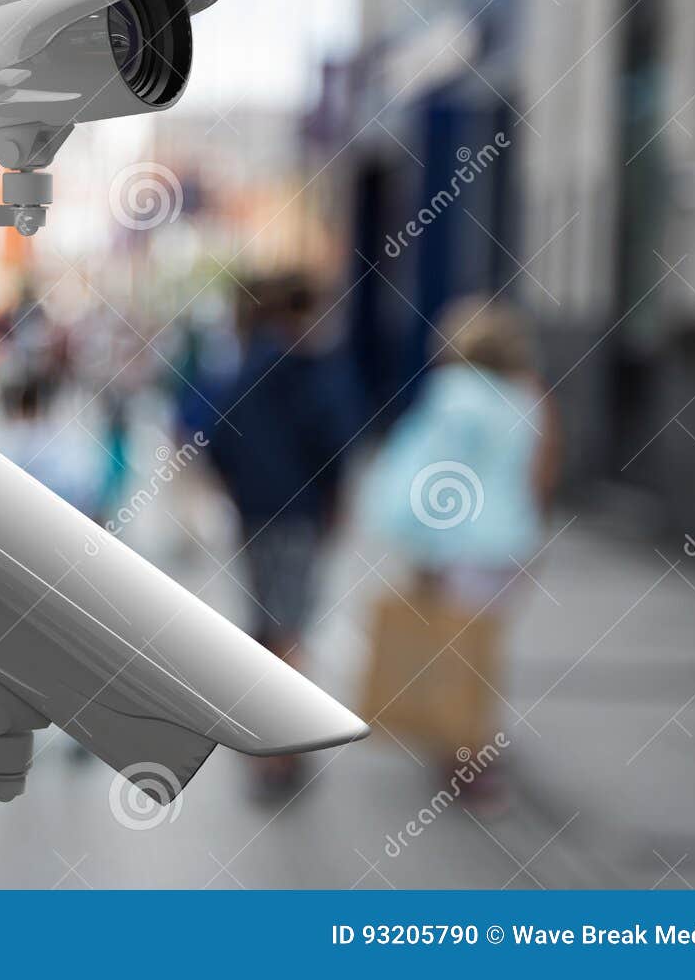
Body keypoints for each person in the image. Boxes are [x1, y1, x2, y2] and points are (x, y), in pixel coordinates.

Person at [357, 295, 560, 807]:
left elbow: (435, 476)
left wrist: (420, 541)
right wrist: (531, 532)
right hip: (509, 543)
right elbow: (541, 474)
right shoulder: (528, 396)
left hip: (461, 543)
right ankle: (470, 747)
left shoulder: (454, 392)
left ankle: (463, 755)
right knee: (483, 648)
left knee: (457, 650)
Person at [205, 270, 365, 792]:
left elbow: (215, 433)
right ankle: (280, 750)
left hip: (254, 511)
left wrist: (235, 488)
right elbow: (336, 443)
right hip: (299, 514)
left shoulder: (244, 366)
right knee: (290, 627)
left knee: (267, 622)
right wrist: (337, 504)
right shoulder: (315, 369)